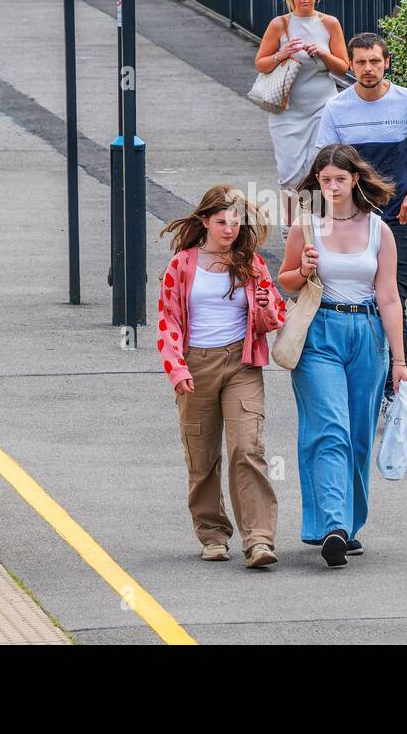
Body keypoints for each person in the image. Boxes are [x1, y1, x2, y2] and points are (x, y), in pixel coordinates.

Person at [277, 144, 407, 568]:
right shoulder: (307, 227)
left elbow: (389, 298)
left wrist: (400, 362)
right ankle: (333, 523)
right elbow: (286, 281)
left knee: (357, 434)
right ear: (317, 182)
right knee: (329, 429)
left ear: (355, 178)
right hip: (319, 331)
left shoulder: (379, 231)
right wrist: (304, 270)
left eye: (339, 178)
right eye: (324, 179)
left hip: (367, 334)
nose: (332, 187)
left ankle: (348, 526)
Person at [158, 186, 285, 568]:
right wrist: (176, 368)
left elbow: (274, 318)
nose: (229, 230)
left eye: (235, 223)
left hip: (241, 364)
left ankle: (259, 539)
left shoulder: (251, 263)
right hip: (195, 365)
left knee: (247, 448)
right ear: (204, 222)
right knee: (202, 456)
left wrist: (264, 306)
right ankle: (213, 535)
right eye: (221, 222)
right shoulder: (182, 264)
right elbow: (167, 321)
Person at [314, 32, 407, 403]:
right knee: (352, 293)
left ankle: (392, 389)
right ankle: (357, 374)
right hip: (353, 216)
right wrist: (322, 216)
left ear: (386, 63)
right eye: (361, 62)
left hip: (397, 216)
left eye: (375, 62)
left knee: (393, 296)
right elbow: (326, 165)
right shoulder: (337, 108)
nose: (368, 69)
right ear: (350, 66)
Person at [254, 0, 350, 236]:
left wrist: (322, 52)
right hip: (287, 111)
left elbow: (343, 67)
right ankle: (289, 226)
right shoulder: (280, 25)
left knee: (318, 167)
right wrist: (282, 54)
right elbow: (261, 63)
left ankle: (317, 225)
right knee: (289, 172)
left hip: (322, 106)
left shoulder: (329, 23)